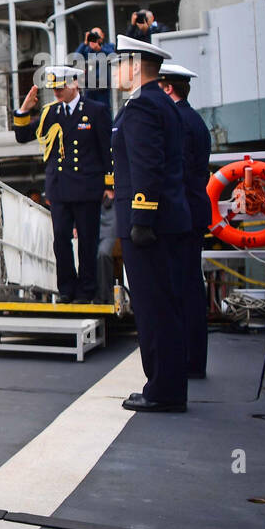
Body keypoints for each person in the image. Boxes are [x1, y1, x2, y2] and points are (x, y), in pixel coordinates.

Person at [110, 34, 190, 412]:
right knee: (166, 306)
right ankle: (167, 385)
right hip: (168, 219)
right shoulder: (164, 103)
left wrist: (141, 217)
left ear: (134, 66)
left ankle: (162, 390)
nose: (114, 71)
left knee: (153, 308)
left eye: (118, 63)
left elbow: (146, 165)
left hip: (149, 226)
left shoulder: (142, 106)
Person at [13, 66, 113, 303]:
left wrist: (109, 183)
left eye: (61, 87)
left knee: (88, 240)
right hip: (59, 187)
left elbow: (106, 149)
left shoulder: (95, 111)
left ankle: (87, 289)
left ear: (75, 84)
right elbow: (22, 135)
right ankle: (67, 287)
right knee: (60, 238)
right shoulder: (51, 113)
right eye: (55, 88)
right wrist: (24, 109)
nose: (57, 92)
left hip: (87, 185)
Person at [159, 62, 211, 379]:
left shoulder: (180, 123)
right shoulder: (194, 119)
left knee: (184, 289)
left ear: (167, 88)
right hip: (194, 211)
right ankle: (194, 359)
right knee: (191, 286)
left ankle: (190, 360)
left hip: (184, 215)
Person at [73, 28, 116, 109]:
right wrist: (85, 43)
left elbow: (113, 55)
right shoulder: (87, 49)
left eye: (97, 35)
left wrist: (100, 49)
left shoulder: (107, 46)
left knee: (104, 110)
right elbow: (76, 57)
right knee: (89, 110)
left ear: (102, 36)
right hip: (89, 86)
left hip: (102, 87)